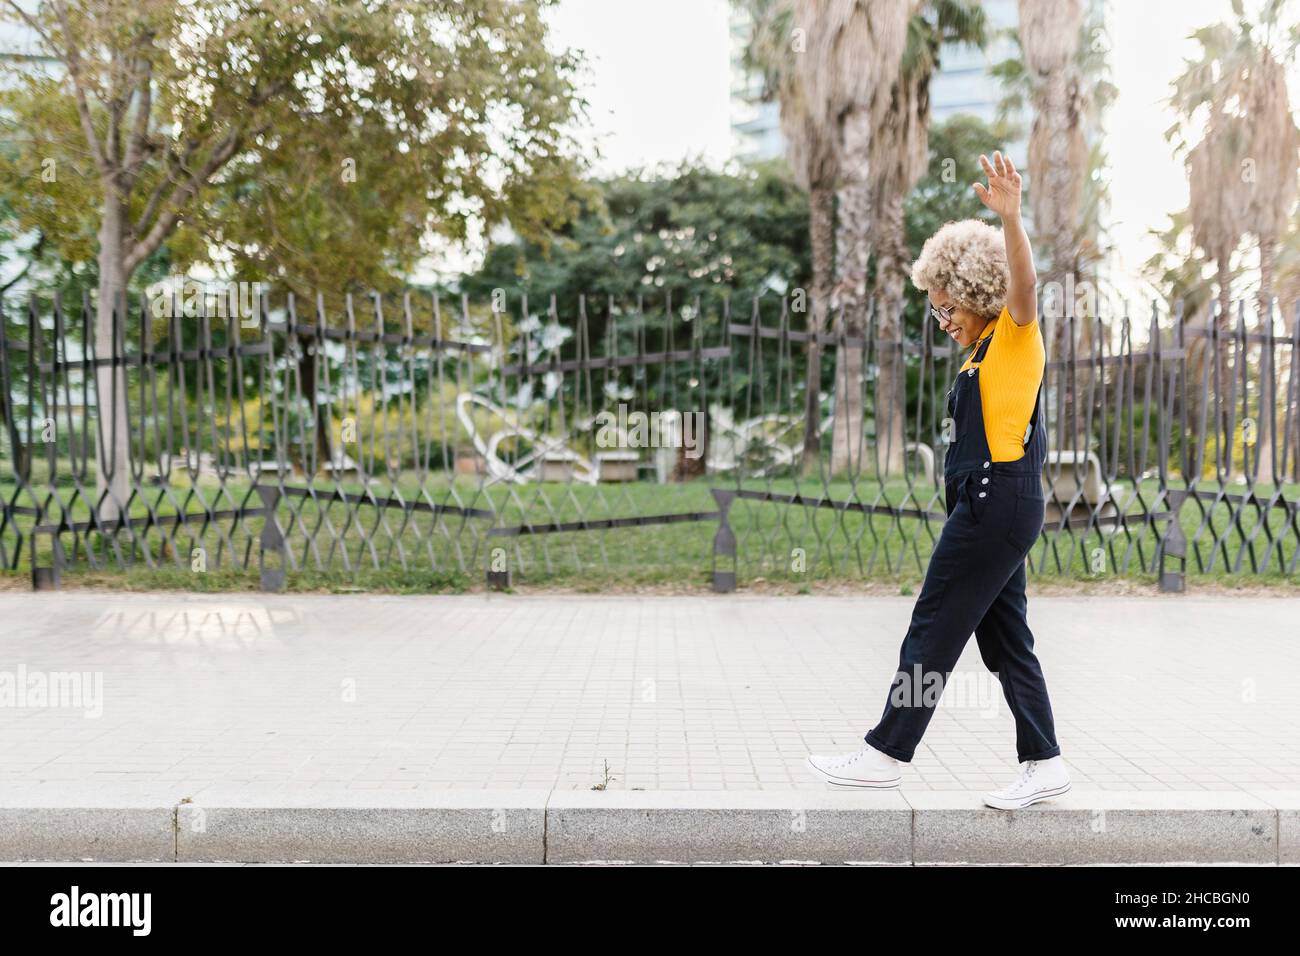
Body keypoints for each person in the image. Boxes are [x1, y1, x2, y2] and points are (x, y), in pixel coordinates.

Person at [806, 151, 1069, 811]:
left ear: (979, 292)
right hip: (997, 508)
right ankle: (1045, 762)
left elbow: (1027, 289)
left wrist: (1011, 219)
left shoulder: (1013, 337)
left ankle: (885, 753)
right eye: (935, 310)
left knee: (934, 623)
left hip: (993, 506)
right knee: (1007, 640)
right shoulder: (979, 355)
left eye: (948, 307)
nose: (943, 320)